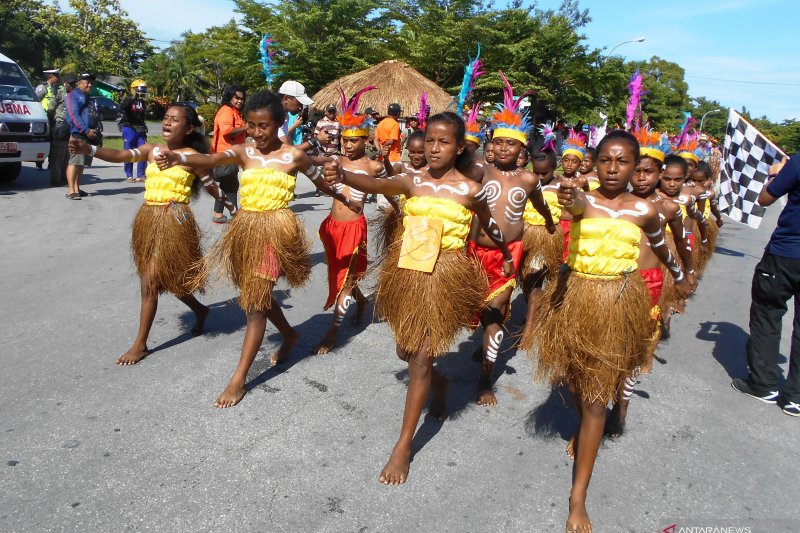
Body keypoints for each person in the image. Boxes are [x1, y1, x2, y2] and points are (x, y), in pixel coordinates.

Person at [324, 111, 513, 485]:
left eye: (444, 142)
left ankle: (402, 448)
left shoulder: (471, 189)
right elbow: (376, 186)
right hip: (408, 274)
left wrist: (505, 254)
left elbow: (489, 223)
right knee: (405, 352)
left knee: (421, 358)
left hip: (442, 279)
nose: (435, 148)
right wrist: (344, 175)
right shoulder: (411, 179)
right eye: (430, 140)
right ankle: (439, 384)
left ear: (460, 147)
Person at [522, 130, 690, 532]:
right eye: (606, 161)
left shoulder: (646, 211)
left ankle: (577, 497)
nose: (613, 169)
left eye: (623, 162)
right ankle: (585, 425)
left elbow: (662, 247)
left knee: (597, 399)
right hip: (576, 299)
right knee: (576, 383)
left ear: (635, 166)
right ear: (595, 163)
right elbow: (574, 205)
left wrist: (683, 275)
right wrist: (571, 198)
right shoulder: (583, 198)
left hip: (620, 302)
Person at [155, 90, 347, 408]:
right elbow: (212, 159)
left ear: (280, 123)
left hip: (275, 234)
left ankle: (238, 380)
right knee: (255, 295)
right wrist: (180, 157)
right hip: (246, 232)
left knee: (255, 305)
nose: (257, 133)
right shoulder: (244, 152)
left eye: (264, 127)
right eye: (252, 126)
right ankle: (290, 335)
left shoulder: (293, 157)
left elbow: (322, 184)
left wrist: (345, 197)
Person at [69, 103, 235, 365]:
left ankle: (140, 344)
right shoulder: (151, 149)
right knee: (166, 279)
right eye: (166, 118)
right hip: (149, 219)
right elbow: (122, 156)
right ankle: (200, 310)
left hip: (175, 222)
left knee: (150, 279)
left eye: (175, 120)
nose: (167, 123)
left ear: (189, 128)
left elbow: (211, 185)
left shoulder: (191, 155)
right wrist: (88, 148)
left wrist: (232, 206)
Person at [468, 72, 555, 406]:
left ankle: (486, 379)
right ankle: (481, 338)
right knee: (475, 310)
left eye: (511, 143)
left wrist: (549, 224)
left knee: (496, 309)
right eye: (499, 142)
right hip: (473, 252)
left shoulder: (529, 179)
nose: (504, 148)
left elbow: (541, 207)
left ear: (522, 148)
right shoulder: (480, 171)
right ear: (491, 145)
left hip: (509, 255)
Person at [604, 127, 696, 437]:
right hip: (614, 280)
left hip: (651, 284)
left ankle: (622, 403)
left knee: (635, 349)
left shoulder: (669, 208)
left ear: (658, 174)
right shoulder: (616, 203)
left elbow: (683, 245)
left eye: (649, 172)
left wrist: (688, 273)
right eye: (638, 171)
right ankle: (595, 404)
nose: (642, 177)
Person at [314, 87, 384, 354]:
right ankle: (362, 302)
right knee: (342, 275)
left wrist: (386, 159)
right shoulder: (336, 160)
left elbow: (392, 181)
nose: (347, 145)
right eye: (345, 140)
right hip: (332, 226)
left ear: (364, 140)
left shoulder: (372, 167)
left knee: (345, 278)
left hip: (354, 228)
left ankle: (332, 332)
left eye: (353, 141)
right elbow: (316, 163)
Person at [732, 154, 800, 417]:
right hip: (787, 253)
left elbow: (765, 198)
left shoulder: (796, 163)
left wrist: (775, 174)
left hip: (786, 254)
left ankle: (763, 384)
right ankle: (795, 397)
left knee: (766, 314)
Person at [210, 85, 247, 223]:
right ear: (230, 97)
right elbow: (227, 131)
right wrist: (246, 127)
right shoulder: (226, 111)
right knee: (231, 185)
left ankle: (218, 215)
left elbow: (239, 132)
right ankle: (234, 215)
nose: (239, 101)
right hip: (225, 154)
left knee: (227, 185)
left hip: (231, 154)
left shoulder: (235, 112)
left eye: (242, 99)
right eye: (236, 98)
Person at [65, 73, 100, 200]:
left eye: (91, 82)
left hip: (89, 134)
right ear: (78, 83)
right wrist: (85, 130)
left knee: (81, 164)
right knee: (74, 162)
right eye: (87, 82)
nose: (90, 84)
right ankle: (71, 190)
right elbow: (74, 115)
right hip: (78, 133)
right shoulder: (73, 95)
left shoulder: (88, 97)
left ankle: (77, 188)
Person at [48, 74, 75, 187]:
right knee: (58, 154)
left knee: (67, 154)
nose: (73, 86)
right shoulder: (60, 93)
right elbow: (50, 108)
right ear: (66, 84)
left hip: (70, 127)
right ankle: (56, 178)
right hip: (60, 125)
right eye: (71, 84)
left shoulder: (74, 95)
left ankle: (64, 177)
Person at [119, 81, 149, 183]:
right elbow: (122, 107)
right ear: (134, 89)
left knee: (143, 151)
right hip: (129, 128)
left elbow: (141, 117)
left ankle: (141, 175)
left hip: (140, 129)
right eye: (141, 90)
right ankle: (129, 175)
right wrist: (132, 98)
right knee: (129, 151)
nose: (142, 93)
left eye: (144, 90)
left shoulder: (143, 102)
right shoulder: (129, 99)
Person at [277, 80, 313, 148]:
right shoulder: (275, 118)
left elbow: (290, 147)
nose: (301, 108)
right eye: (299, 103)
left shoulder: (285, 116)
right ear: (286, 99)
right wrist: (315, 141)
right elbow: (287, 151)